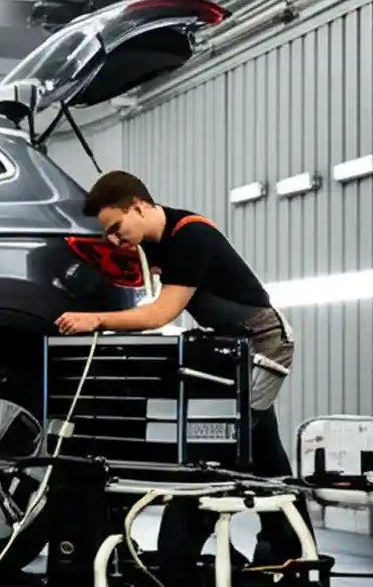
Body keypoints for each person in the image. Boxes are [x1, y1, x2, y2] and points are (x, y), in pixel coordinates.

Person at [54, 170, 311, 566]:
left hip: (265, 347)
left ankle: (179, 555)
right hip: (228, 348)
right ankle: (291, 548)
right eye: (108, 233)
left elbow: (160, 313)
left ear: (138, 206)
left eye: (117, 227)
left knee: (217, 449)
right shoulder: (156, 243)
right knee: (267, 454)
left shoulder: (191, 236)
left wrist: (95, 319)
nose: (115, 239)